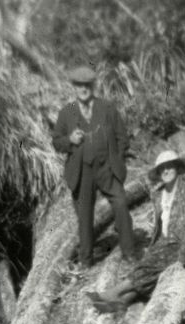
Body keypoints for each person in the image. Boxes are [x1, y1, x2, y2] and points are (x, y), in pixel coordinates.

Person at [89, 149, 185, 313]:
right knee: (148, 274)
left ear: (177, 168)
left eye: (170, 166)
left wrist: (183, 261)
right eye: (162, 168)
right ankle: (123, 302)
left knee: (147, 269)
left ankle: (112, 293)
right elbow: (159, 226)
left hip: (179, 247)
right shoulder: (158, 195)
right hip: (162, 245)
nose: (166, 171)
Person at [53, 65, 135, 272]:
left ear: (93, 86)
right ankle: (86, 260)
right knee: (85, 216)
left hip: (107, 168)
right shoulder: (66, 113)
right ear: (74, 87)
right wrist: (69, 139)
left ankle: (129, 253)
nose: (83, 89)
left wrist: (117, 157)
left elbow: (122, 137)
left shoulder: (107, 108)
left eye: (87, 85)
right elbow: (56, 142)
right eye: (79, 85)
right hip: (82, 171)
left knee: (121, 203)